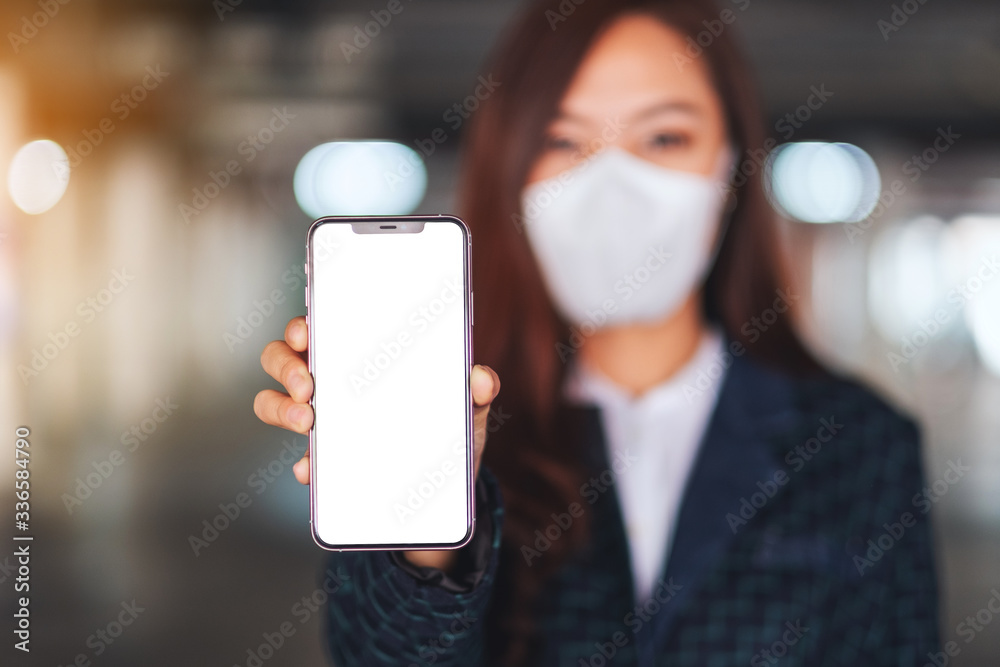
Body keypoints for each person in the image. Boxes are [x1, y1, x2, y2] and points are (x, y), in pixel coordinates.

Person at [254, 0, 940, 664]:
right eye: (563, 139)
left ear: (732, 171)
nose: (612, 181)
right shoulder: (459, 423)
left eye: (664, 137)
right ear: (513, 174)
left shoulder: (862, 445)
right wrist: (422, 528)